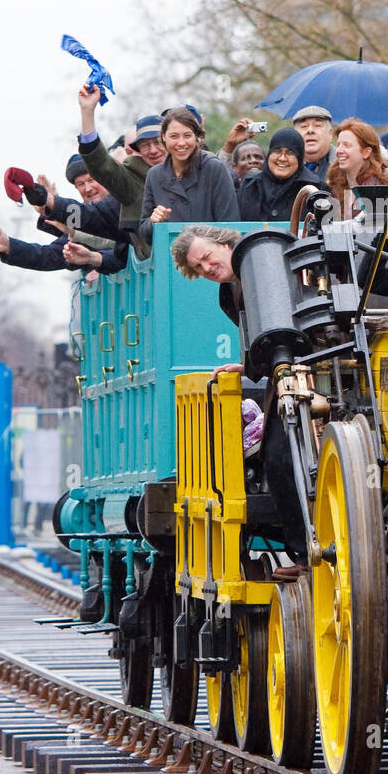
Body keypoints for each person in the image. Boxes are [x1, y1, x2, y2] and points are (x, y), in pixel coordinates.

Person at [170, 222, 308, 580]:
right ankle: (306, 554)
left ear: (225, 242)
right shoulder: (227, 295)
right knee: (277, 459)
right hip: (283, 381)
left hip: (313, 370)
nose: (207, 269)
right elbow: (260, 341)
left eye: (207, 258)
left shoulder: (270, 266)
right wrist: (245, 365)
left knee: (285, 458)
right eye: (198, 269)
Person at [77, 87, 166, 255]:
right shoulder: (131, 180)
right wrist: (87, 111)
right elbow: (101, 165)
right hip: (161, 272)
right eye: (145, 145)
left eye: (158, 142)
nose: (153, 150)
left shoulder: (199, 166)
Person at [139, 107, 240, 243]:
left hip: (208, 257)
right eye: (174, 136)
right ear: (163, 137)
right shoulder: (154, 175)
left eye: (187, 135)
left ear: (197, 137)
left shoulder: (214, 168)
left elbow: (230, 225)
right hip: (169, 256)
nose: (181, 143)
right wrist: (153, 221)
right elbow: (144, 233)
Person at [237, 128, 316, 222]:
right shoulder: (250, 185)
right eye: (277, 151)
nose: (282, 158)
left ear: (299, 158)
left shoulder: (314, 189)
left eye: (290, 153)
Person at [326, 117, 388, 219]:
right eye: (338, 145)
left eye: (346, 145)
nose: (339, 150)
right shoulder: (335, 184)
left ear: (366, 152)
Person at [290, 106, 335, 182]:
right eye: (304, 126)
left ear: (330, 134)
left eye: (317, 125)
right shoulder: (285, 167)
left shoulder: (343, 166)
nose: (310, 130)